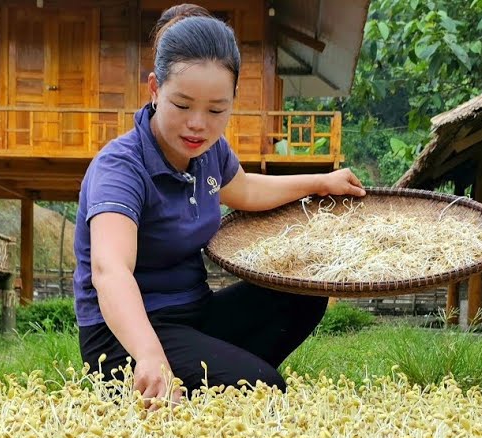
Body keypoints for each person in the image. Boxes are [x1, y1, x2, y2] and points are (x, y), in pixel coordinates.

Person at [74, 3, 365, 403]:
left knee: (304, 292)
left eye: (216, 109)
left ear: (232, 100)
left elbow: (244, 190)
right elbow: (110, 271)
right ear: (154, 89)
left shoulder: (209, 152)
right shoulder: (121, 167)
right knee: (264, 389)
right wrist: (150, 356)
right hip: (122, 336)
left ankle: (216, 378)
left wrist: (319, 182)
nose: (198, 124)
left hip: (193, 315)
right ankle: (182, 382)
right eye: (182, 105)